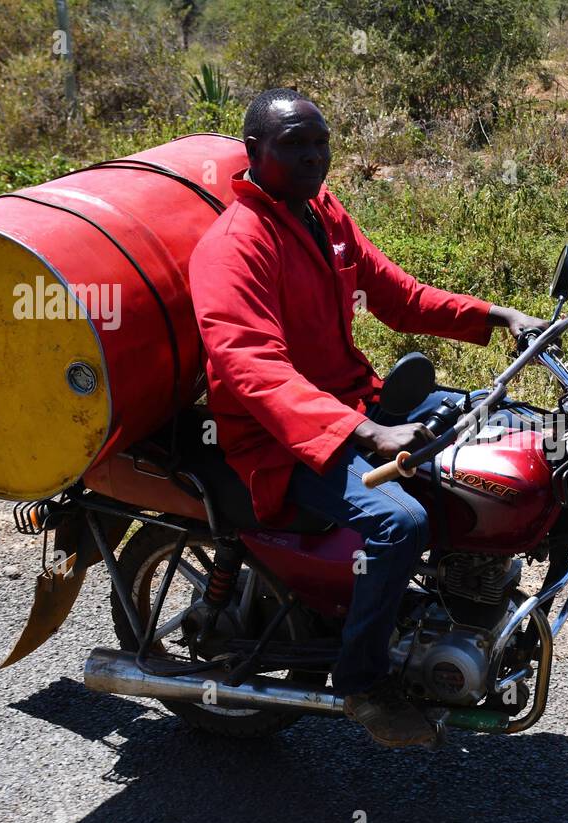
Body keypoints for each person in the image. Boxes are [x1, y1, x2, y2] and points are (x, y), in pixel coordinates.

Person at [188, 89, 549, 748]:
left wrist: (497, 317)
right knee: (398, 520)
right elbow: (253, 369)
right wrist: (367, 432)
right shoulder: (235, 246)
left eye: (320, 142)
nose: (312, 157)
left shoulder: (320, 214)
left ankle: (461, 600)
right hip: (277, 440)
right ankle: (363, 683)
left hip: (354, 404)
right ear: (253, 153)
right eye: (294, 145)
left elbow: (397, 294)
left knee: (504, 432)